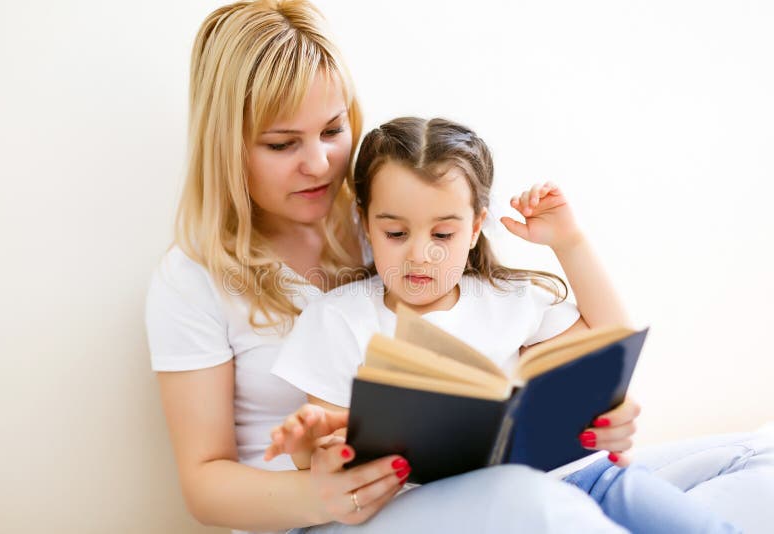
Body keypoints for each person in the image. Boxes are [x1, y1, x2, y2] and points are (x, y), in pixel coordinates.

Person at [145, 1, 774, 533]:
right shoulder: (198, 278)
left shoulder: (404, 221)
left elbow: (582, 349)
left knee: (756, 457)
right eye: (283, 144)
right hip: (348, 513)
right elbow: (206, 484)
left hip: (510, 488)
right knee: (532, 500)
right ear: (227, 145)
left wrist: (599, 408)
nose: (319, 163)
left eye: (333, 130)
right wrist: (319, 491)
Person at [263, 116, 746, 533]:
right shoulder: (340, 318)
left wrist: (569, 243)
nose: (420, 254)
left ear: (475, 228)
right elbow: (326, 451)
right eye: (395, 233)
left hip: (585, 476)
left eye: (443, 233)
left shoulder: (508, 299)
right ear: (366, 222)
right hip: (469, 511)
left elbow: (612, 346)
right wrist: (310, 446)